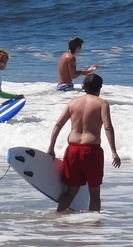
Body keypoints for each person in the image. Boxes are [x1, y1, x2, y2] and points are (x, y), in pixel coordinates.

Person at [46, 73, 120, 212]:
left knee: (71, 191)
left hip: (72, 150)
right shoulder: (102, 103)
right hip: (91, 151)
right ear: (99, 88)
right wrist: (114, 152)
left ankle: (57, 219)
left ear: (84, 87)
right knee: (94, 193)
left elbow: (58, 124)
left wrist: (51, 147)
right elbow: (108, 127)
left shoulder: (73, 102)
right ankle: (93, 226)